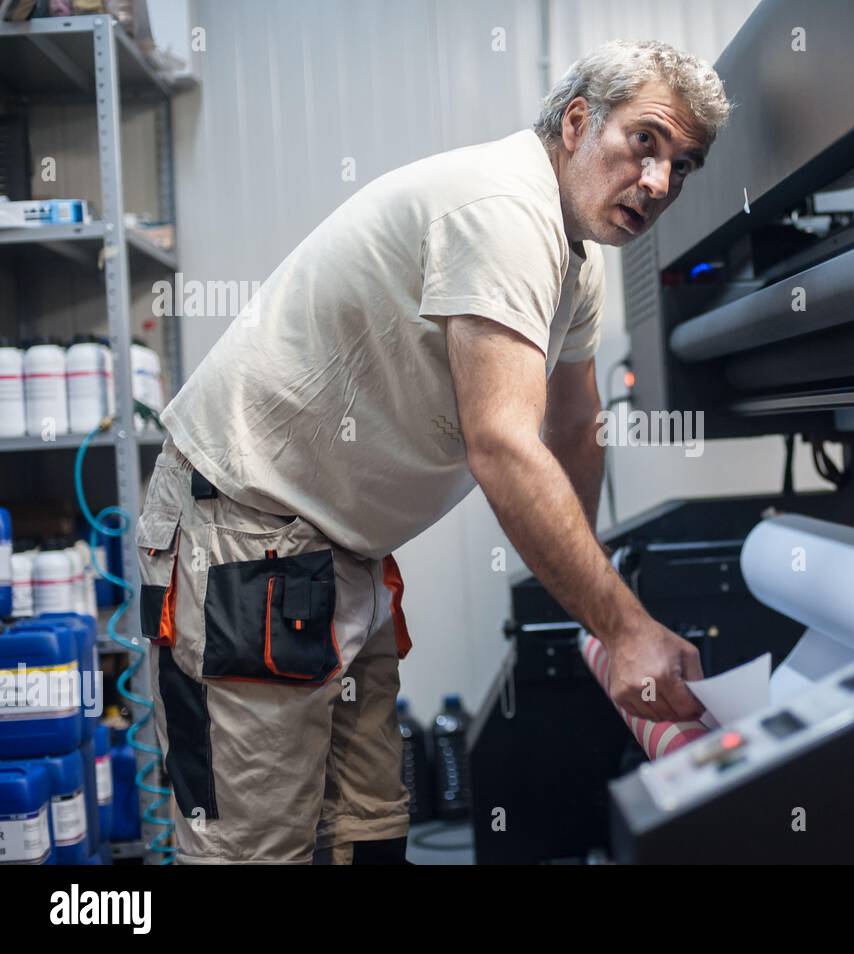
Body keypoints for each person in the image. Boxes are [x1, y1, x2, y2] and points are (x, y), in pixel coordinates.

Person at [134, 39, 732, 863]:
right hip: (245, 536)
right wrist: (621, 627)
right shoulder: (503, 209)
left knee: (366, 830)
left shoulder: (575, 263)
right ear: (578, 121)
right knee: (257, 848)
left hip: (339, 552)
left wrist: (586, 599)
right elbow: (502, 446)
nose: (660, 183)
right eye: (645, 143)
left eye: (684, 165)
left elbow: (573, 425)